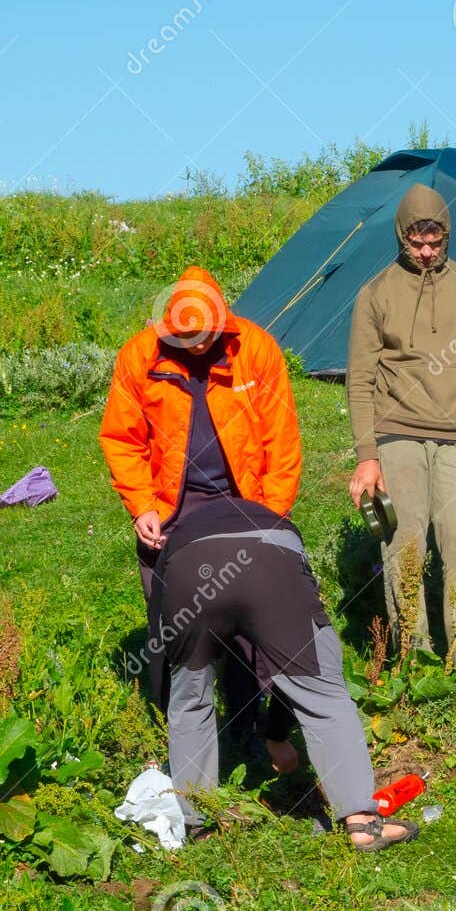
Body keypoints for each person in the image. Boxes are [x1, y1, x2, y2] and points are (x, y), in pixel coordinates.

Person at [100, 265, 302, 772]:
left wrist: (270, 518)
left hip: (242, 501)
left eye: (202, 336)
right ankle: (179, 736)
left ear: (221, 323)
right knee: (175, 623)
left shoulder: (256, 350)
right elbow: (122, 439)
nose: (192, 346)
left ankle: (251, 728)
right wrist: (142, 505)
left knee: (253, 618)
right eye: (181, 337)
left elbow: (283, 439)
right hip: (172, 508)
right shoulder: (138, 356)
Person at [147, 495, 417, 851]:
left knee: (190, 702)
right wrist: (276, 735)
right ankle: (363, 824)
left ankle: (196, 825)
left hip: (188, 568)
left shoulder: (178, 537)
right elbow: (291, 666)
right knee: (323, 694)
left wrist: (168, 696)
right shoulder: (283, 529)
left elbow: (158, 642)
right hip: (270, 557)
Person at [345, 184, 456, 665]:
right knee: (404, 549)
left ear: (447, 235)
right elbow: (361, 380)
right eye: (418, 243)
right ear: (402, 236)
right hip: (397, 435)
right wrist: (367, 456)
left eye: (436, 242)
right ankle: (413, 657)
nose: (427, 252)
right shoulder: (375, 294)